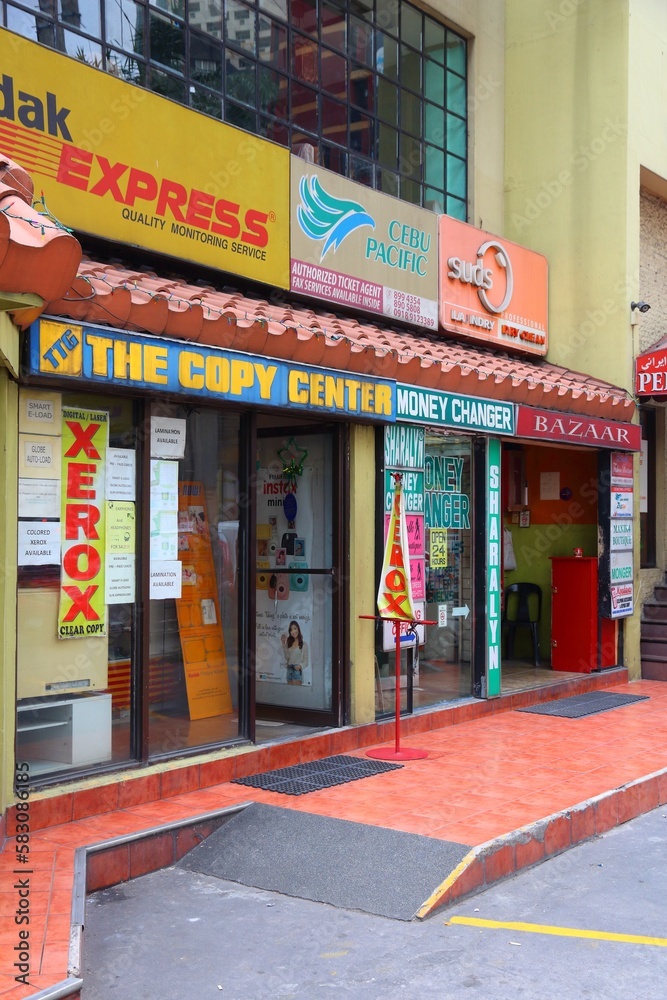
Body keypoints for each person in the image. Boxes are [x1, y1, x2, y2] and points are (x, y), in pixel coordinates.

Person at [281, 620, 309, 685]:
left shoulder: (304, 644)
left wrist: (300, 666)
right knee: (289, 693)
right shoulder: (289, 643)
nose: (293, 631)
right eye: (291, 630)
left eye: (295, 628)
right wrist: (283, 644)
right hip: (289, 670)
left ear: (298, 629)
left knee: (296, 693)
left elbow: (306, 662)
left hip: (297, 670)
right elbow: (287, 658)